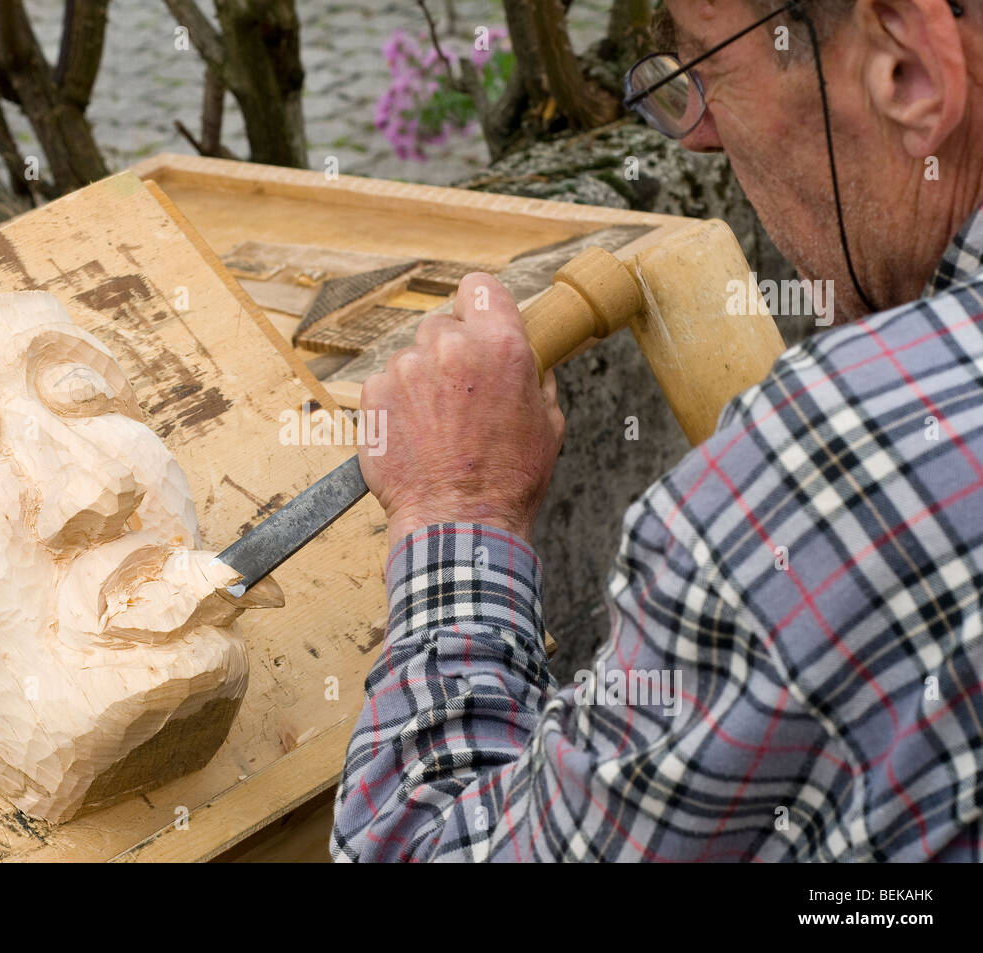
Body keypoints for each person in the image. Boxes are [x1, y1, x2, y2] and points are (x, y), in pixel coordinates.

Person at [330, 0, 983, 861]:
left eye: (706, 68)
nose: (701, 135)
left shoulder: (833, 468)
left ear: (910, 72)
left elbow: (420, 850)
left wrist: (458, 507)